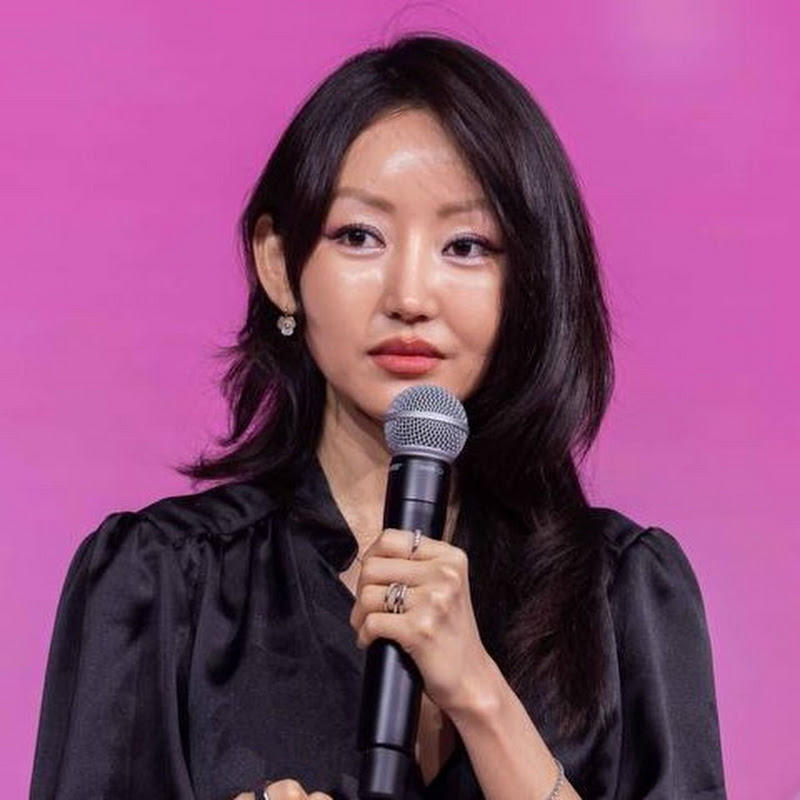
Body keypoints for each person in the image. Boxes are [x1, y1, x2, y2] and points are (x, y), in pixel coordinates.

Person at [30, 35, 726, 800]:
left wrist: (480, 696)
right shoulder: (163, 584)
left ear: (528, 281)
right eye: (359, 236)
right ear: (279, 265)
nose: (410, 296)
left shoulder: (622, 593)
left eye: (466, 246)